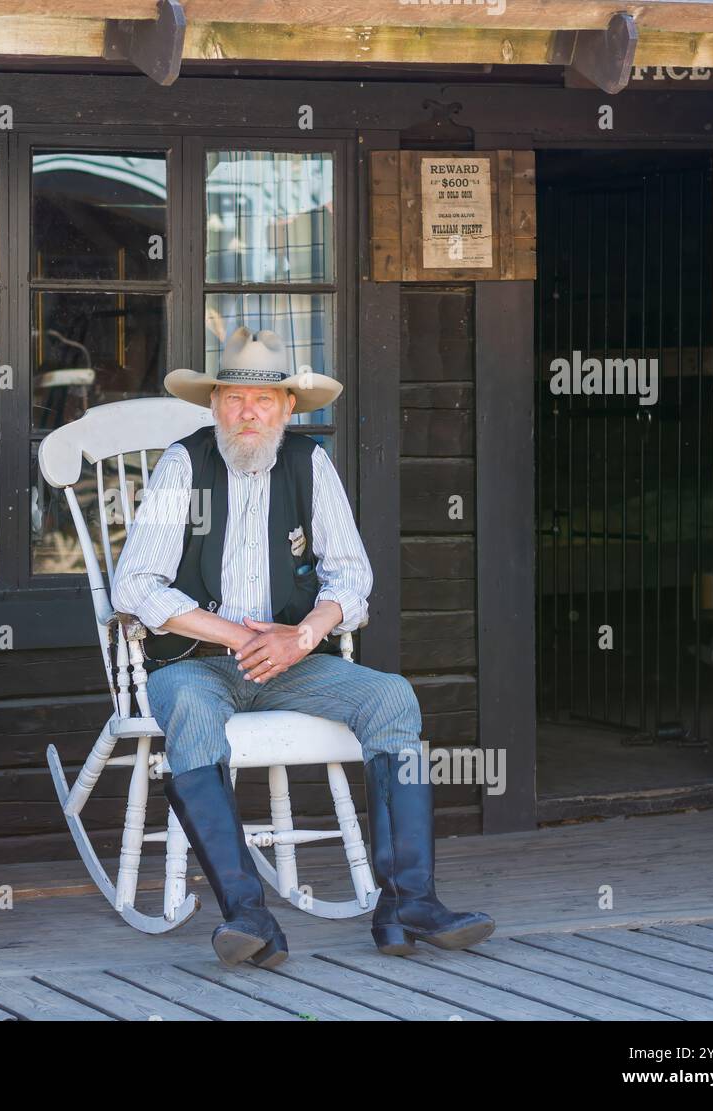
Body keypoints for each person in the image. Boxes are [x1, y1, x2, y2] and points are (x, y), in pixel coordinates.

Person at [110, 326, 494, 969]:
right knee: (196, 716)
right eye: (234, 398)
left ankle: (408, 902)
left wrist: (305, 635)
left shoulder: (308, 465)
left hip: (293, 661)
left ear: (290, 407)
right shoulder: (185, 465)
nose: (249, 412)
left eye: (265, 400)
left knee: (391, 698)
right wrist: (239, 634)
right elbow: (135, 585)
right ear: (214, 405)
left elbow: (353, 577)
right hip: (193, 663)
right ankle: (248, 913)